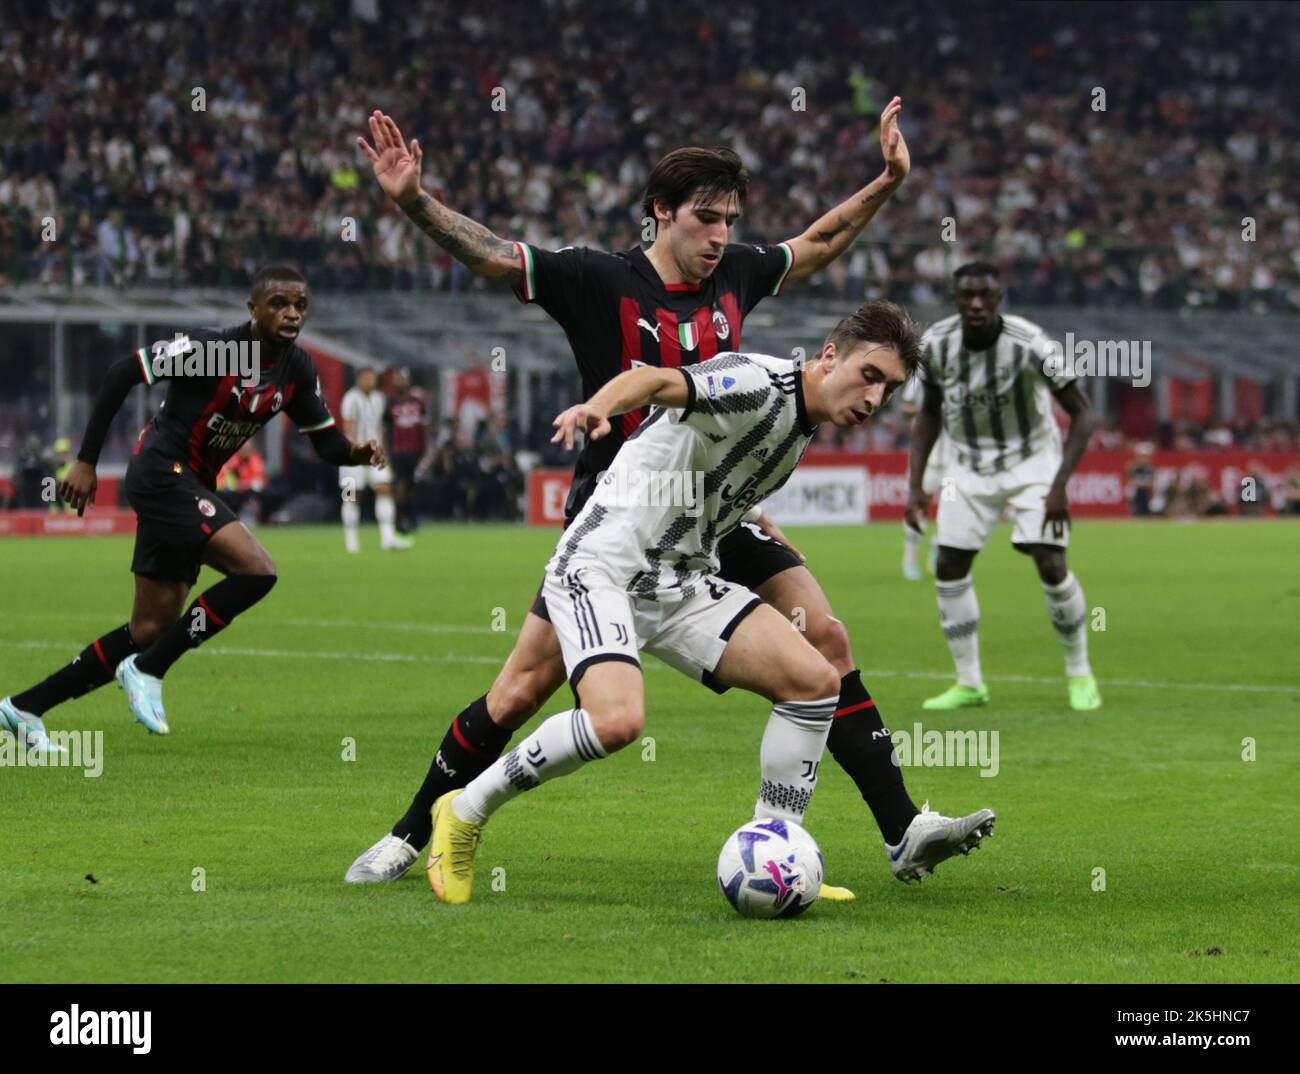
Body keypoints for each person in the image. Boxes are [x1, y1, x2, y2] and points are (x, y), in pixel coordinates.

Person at [347, 104, 991, 887]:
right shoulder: (596, 278)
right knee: (519, 691)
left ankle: (899, 830)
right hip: (621, 510)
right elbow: (491, 255)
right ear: (661, 211)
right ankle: (412, 832)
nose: (721, 236)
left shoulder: (738, 278)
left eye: (731, 220)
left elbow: (819, 243)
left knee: (825, 640)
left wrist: (887, 182)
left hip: (716, 516)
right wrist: (413, 201)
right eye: (706, 219)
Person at [424, 303, 995, 904]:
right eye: (870, 375)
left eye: (891, 388)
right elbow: (660, 380)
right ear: (830, 355)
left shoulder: (801, 424)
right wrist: (599, 407)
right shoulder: (755, 381)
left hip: (682, 580)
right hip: (605, 568)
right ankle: (463, 810)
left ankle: (777, 853)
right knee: (616, 722)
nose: (875, 398)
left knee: (814, 682)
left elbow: (719, 470)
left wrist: (756, 516)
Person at [1, 266, 387, 749]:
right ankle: (149, 670)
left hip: (193, 486)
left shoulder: (296, 369)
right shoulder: (213, 350)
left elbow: (325, 442)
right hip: (162, 471)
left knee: (148, 627)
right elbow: (124, 373)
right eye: (279, 303)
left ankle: (24, 708)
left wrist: (353, 452)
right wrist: (85, 461)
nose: (292, 313)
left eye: (301, 305)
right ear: (252, 309)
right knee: (257, 571)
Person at [906, 263, 1102, 712]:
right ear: (955, 299)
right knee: (950, 566)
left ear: (1000, 298)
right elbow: (929, 413)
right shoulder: (936, 344)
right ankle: (970, 682)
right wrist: (916, 485)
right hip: (968, 467)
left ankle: (1079, 672)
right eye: (967, 296)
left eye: (986, 296)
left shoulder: (1031, 343)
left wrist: (1058, 487)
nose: (976, 304)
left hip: (1032, 463)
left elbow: (1084, 413)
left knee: (1051, 564)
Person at [340, 366, 408, 552]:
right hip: (353, 455)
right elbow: (348, 427)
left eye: (373, 378)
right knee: (352, 496)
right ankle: (351, 541)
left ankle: (387, 538)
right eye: (367, 377)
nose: (371, 381)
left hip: (374, 453)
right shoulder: (350, 399)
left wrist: (382, 452)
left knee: (384, 488)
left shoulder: (379, 399)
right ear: (359, 379)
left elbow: (379, 428)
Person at [898, 375, 948, 579]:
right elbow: (905, 408)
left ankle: (937, 548)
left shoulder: (967, 371)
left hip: (955, 459)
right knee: (919, 504)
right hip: (928, 455)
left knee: (952, 505)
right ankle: (910, 558)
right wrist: (932, 410)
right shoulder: (922, 376)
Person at [386, 368, 432, 533]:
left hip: (416, 450)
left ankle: (411, 517)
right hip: (397, 451)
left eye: (403, 379)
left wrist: (427, 454)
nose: (401, 382)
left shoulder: (418, 403)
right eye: (398, 379)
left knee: (413, 487)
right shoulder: (390, 402)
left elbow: (425, 429)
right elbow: (385, 430)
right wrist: (386, 452)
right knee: (399, 486)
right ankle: (399, 518)